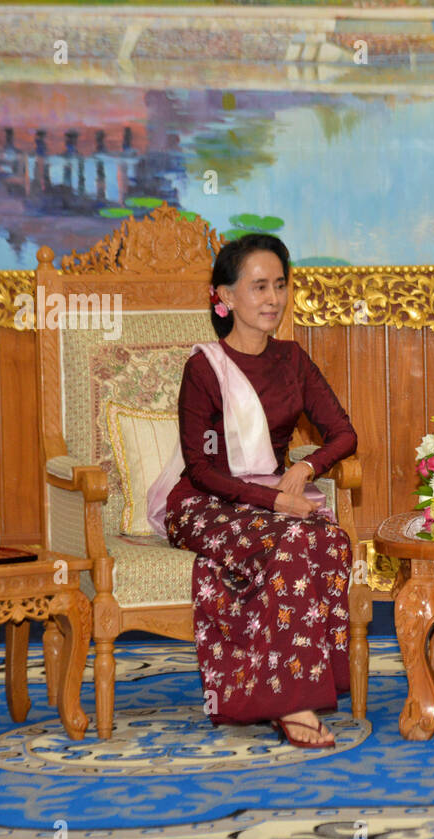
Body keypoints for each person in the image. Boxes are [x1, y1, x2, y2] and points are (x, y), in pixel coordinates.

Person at [161, 233, 358, 748]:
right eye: (258, 287)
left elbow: (343, 434)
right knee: (290, 539)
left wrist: (306, 469)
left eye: (280, 285)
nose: (273, 298)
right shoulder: (204, 367)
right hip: (205, 503)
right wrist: (275, 501)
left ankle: (303, 683)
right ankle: (290, 702)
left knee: (331, 540)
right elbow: (200, 468)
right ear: (224, 297)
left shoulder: (292, 360)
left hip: (270, 494)